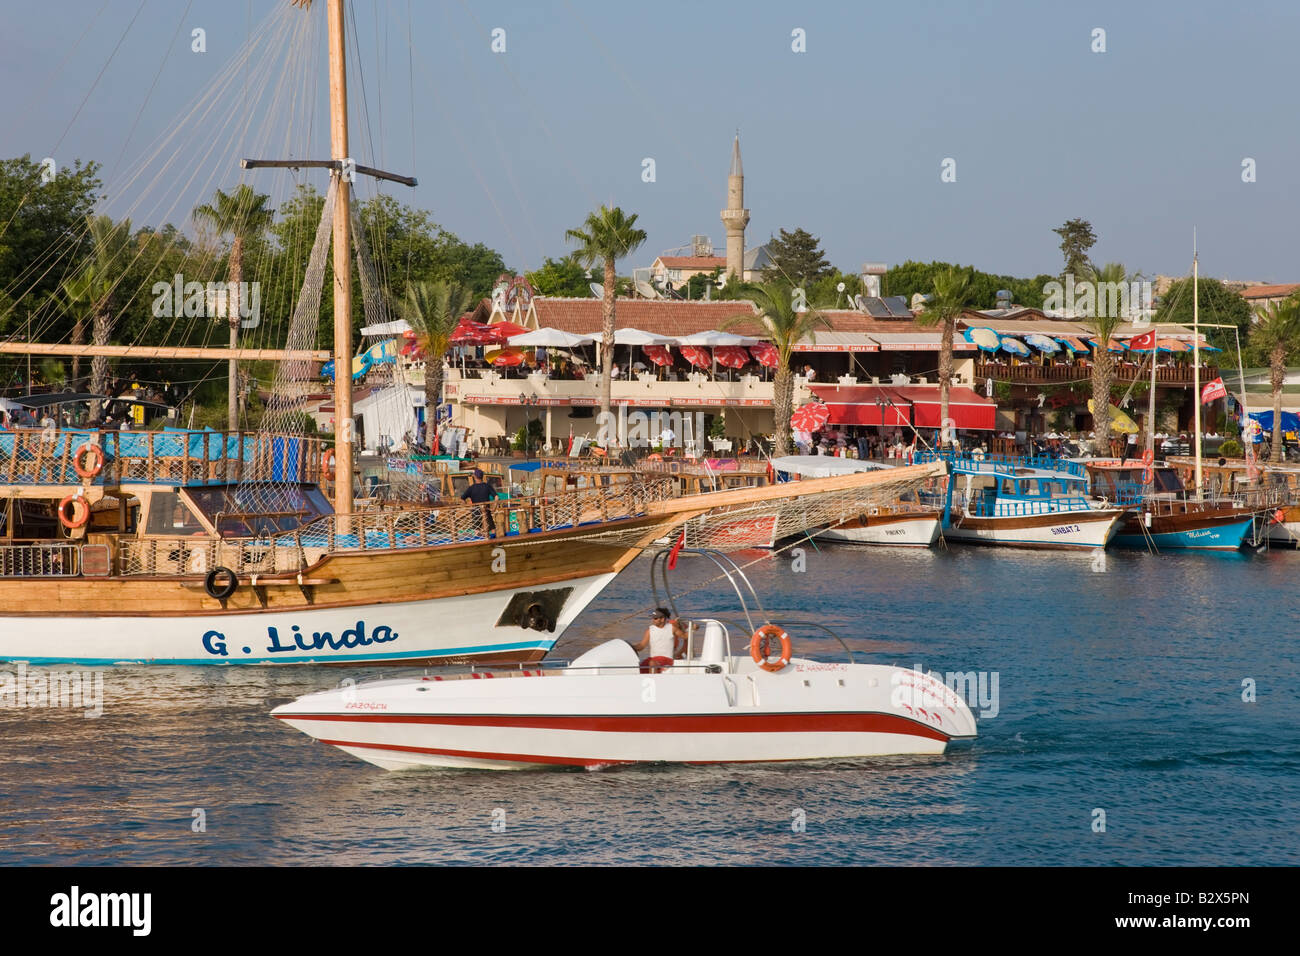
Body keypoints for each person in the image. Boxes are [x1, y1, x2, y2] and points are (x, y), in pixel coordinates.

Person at [630, 607, 687, 673]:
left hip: (666, 659)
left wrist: (693, 629)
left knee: (652, 663)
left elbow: (685, 636)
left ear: (662, 619)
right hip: (652, 659)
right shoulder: (650, 630)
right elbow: (641, 646)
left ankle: (653, 681)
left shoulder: (672, 628)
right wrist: (630, 646)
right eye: (653, 618)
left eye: (655, 618)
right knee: (638, 667)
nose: (653, 620)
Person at [460, 467, 497, 537]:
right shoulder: (487, 486)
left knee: (477, 531)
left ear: (475, 477)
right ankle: (495, 542)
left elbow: (462, 499)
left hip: (476, 511)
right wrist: (494, 507)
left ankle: (479, 542)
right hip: (486, 511)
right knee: (492, 529)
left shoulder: (471, 488)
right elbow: (496, 497)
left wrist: (468, 508)